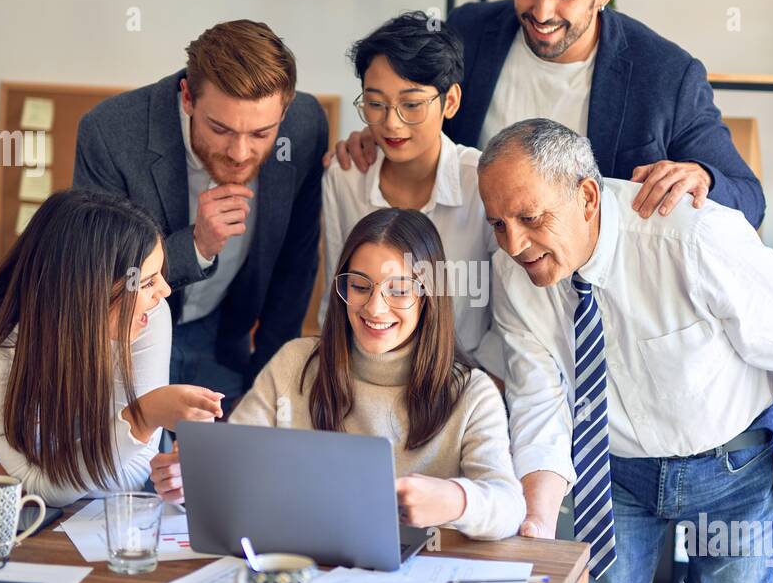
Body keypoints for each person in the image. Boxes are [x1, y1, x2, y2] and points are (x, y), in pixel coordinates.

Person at [479, 119, 773, 583]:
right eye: (498, 224)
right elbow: (538, 398)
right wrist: (537, 520)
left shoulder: (693, 237)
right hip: (617, 478)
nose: (514, 244)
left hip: (734, 471)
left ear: (587, 196)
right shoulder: (516, 275)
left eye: (530, 218)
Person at [329, 0, 764, 228]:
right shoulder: (471, 31)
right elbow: (415, 107)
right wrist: (383, 133)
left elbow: (749, 198)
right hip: (469, 272)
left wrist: (702, 178)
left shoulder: (666, 75)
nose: (541, 12)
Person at [151, 208, 526, 541]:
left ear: (429, 295)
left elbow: (509, 507)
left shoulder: (471, 393)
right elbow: (233, 467)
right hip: (301, 573)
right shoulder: (295, 363)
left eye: (398, 290)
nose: (375, 308)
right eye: (360, 286)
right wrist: (194, 478)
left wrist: (457, 500)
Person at [0, 189, 224, 507]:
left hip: (40, 421)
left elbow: (127, 478)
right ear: (89, 293)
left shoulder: (147, 312)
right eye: (147, 281)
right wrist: (140, 418)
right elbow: (53, 485)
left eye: (159, 274)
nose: (163, 291)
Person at [74, 19, 327, 400]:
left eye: (261, 134)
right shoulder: (110, 133)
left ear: (285, 111)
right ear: (188, 98)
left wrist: (271, 383)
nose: (240, 153)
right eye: (220, 129)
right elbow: (99, 277)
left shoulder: (306, 127)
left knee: (223, 457)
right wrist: (195, 246)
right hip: (124, 340)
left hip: (225, 337)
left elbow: (297, 262)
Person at [322, 10, 501, 374]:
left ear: (450, 102)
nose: (391, 122)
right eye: (375, 103)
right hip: (363, 378)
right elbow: (337, 298)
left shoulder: (482, 184)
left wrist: (480, 389)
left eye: (412, 105)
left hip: (461, 383)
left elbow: (509, 319)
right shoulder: (345, 178)